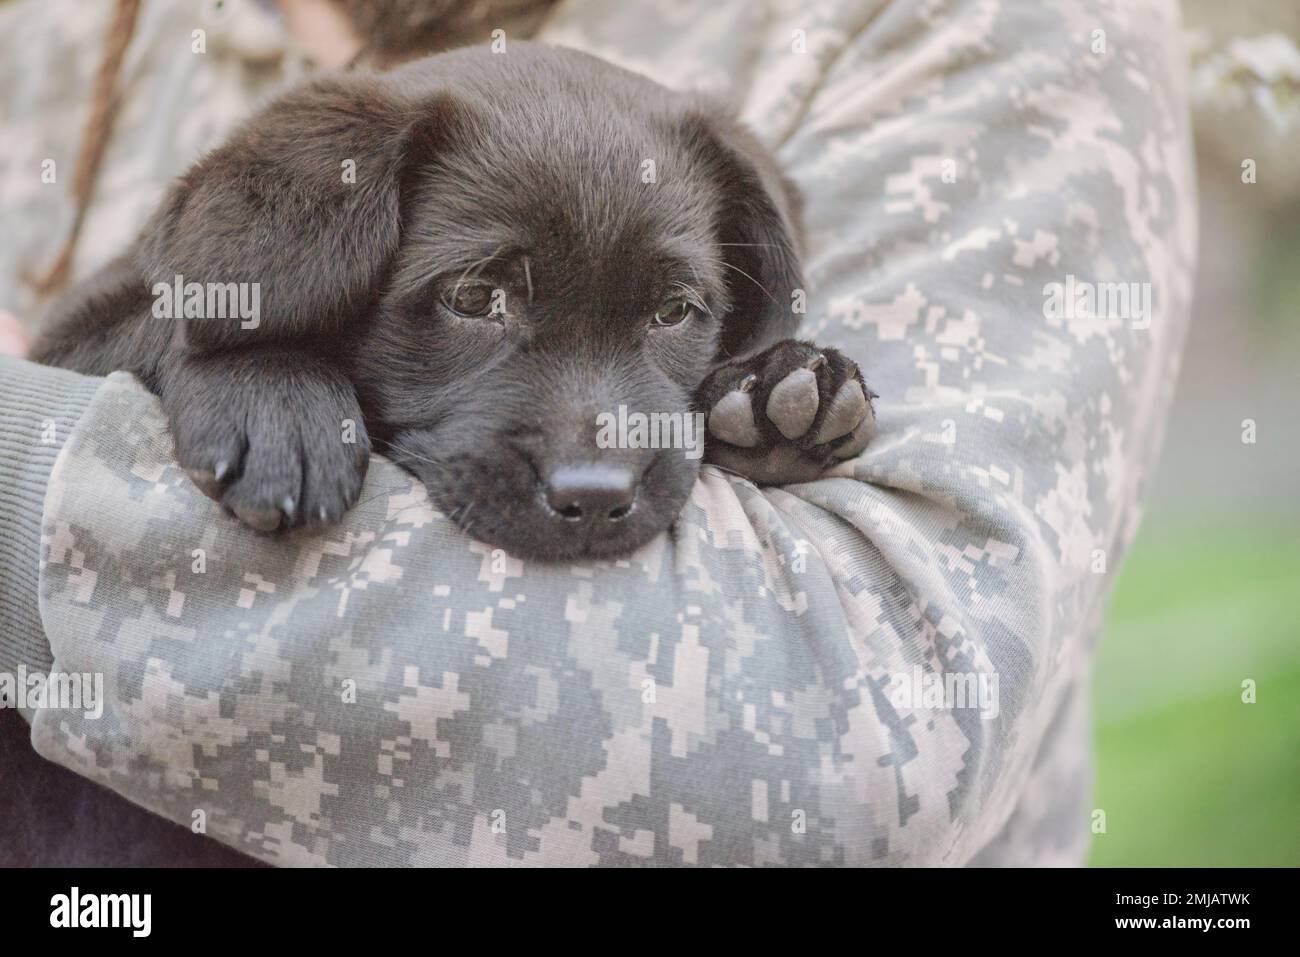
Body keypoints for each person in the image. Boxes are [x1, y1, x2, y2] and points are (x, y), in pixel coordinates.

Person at [0, 0, 1197, 866]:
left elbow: (852, 748)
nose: (593, 453)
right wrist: (221, 361)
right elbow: (109, 330)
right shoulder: (82, 42)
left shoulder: (967, 29)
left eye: (673, 313)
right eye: (480, 300)